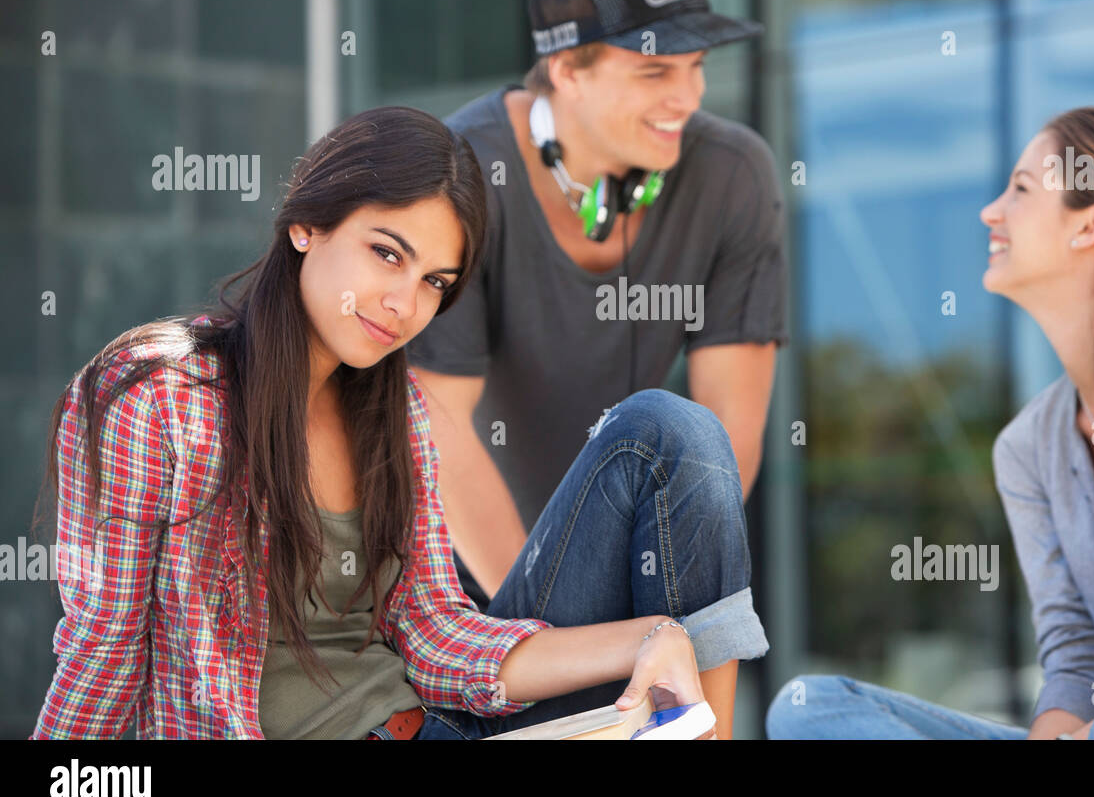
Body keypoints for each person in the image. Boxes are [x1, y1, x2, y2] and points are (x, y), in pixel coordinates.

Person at [29, 106, 767, 740]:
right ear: (307, 225)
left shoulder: (396, 413)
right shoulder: (160, 396)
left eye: (433, 283)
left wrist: (656, 636)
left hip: (434, 723)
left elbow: (438, 636)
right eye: (387, 254)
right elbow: (105, 646)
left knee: (670, 436)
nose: (403, 303)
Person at [767, 107, 1094, 739]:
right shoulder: (1028, 445)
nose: (991, 212)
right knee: (811, 707)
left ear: (1092, 224)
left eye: (1021, 190)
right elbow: (1075, 655)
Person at [404, 0, 788, 695]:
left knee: (685, 441)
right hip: (468, 588)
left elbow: (722, 457)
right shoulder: (465, 170)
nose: (687, 97)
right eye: (654, 71)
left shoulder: (733, 175)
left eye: (696, 68)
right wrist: (557, 645)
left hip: (636, 563)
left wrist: (632, 609)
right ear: (565, 71)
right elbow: (437, 431)